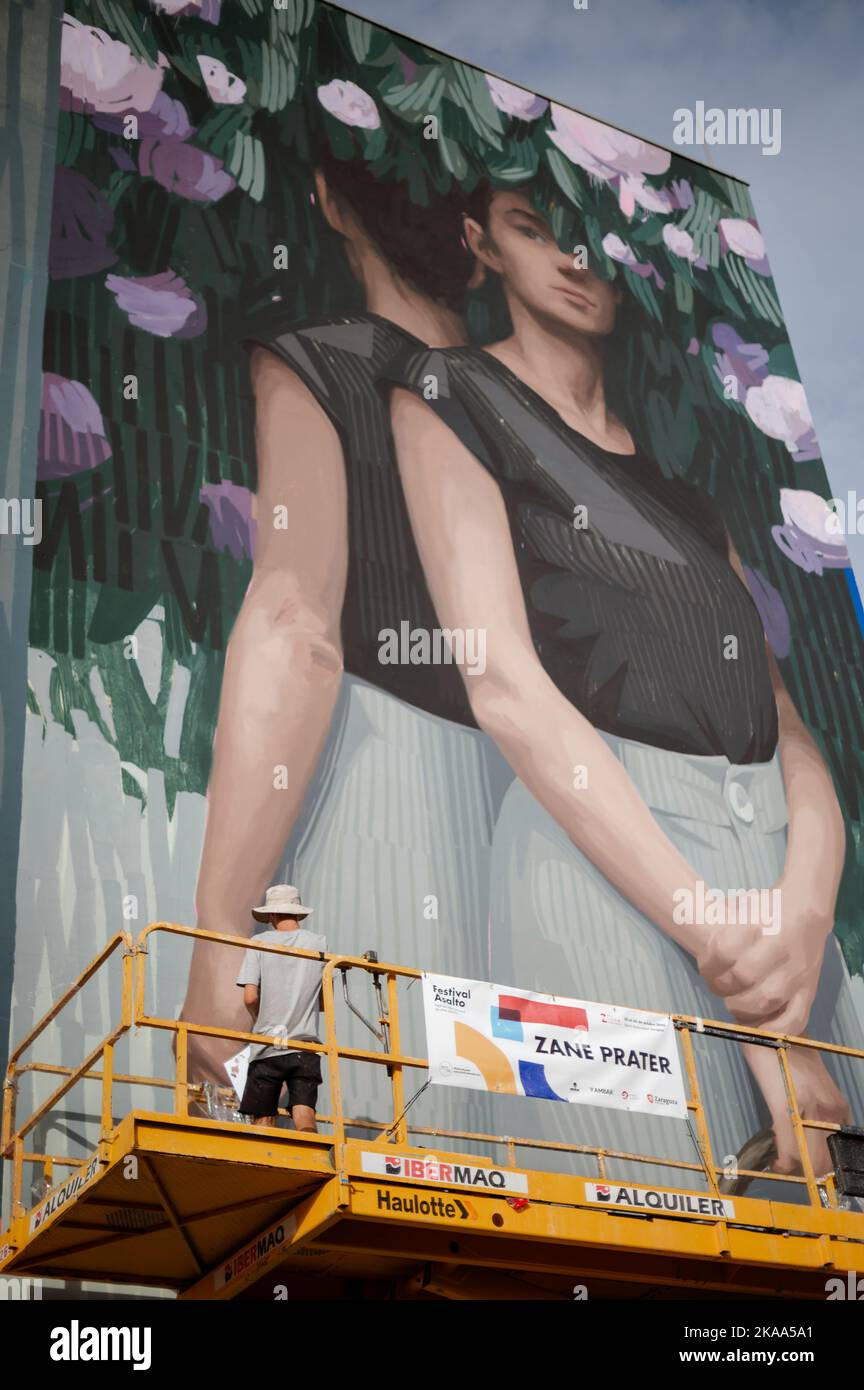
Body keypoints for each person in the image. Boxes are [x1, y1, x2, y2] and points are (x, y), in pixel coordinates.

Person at [378, 181, 864, 1195]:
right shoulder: (445, 394)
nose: (571, 258)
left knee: (829, 1236)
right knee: (629, 1206)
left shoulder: (687, 490)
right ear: (481, 243)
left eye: (591, 238)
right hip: (596, 862)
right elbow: (504, 682)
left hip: (779, 885)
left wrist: (806, 908)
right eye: (531, 228)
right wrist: (712, 927)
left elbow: (784, 723)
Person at [180, 152, 511, 1154]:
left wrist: (215, 940)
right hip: (557, 833)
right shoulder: (539, 405)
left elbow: (297, 626)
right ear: (477, 240)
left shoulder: (318, 360)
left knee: (360, 1182)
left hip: (386, 789)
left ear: (326, 198)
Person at [236, 884, 327, 1131]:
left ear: (272, 914)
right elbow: (323, 1002)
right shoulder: (318, 943)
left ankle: (265, 1164)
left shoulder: (259, 942)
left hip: (268, 1043)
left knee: (263, 1118)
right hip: (304, 1046)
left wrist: (260, 1019)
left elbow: (250, 998)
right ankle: (311, 1160)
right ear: (298, 912)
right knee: (305, 1112)